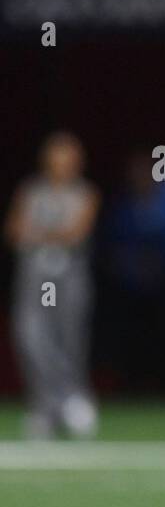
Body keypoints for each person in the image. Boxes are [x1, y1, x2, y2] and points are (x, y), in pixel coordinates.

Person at [4, 132, 100, 438]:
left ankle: (73, 399)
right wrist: (45, 234)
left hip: (66, 279)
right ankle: (47, 403)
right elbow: (14, 230)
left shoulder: (85, 194)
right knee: (31, 337)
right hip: (36, 278)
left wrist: (38, 233)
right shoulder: (31, 191)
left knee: (67, 339)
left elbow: (76, 234)